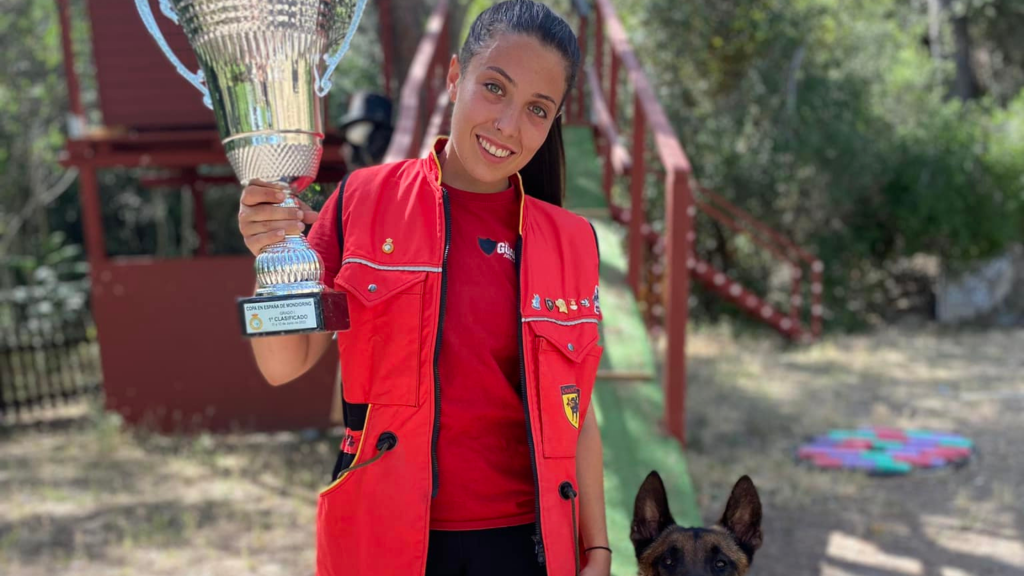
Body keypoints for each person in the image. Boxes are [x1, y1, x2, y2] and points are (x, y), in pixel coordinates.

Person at [237, 2, 609, 575]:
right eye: (493, 87)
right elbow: (284, 364)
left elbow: (577, 415)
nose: (509, 124)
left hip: (526, 547)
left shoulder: (572, 241)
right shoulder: (364, 200)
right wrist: (270, 262)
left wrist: (597, 550)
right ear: (455, 75)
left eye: (537, 109)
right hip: (382, 536)